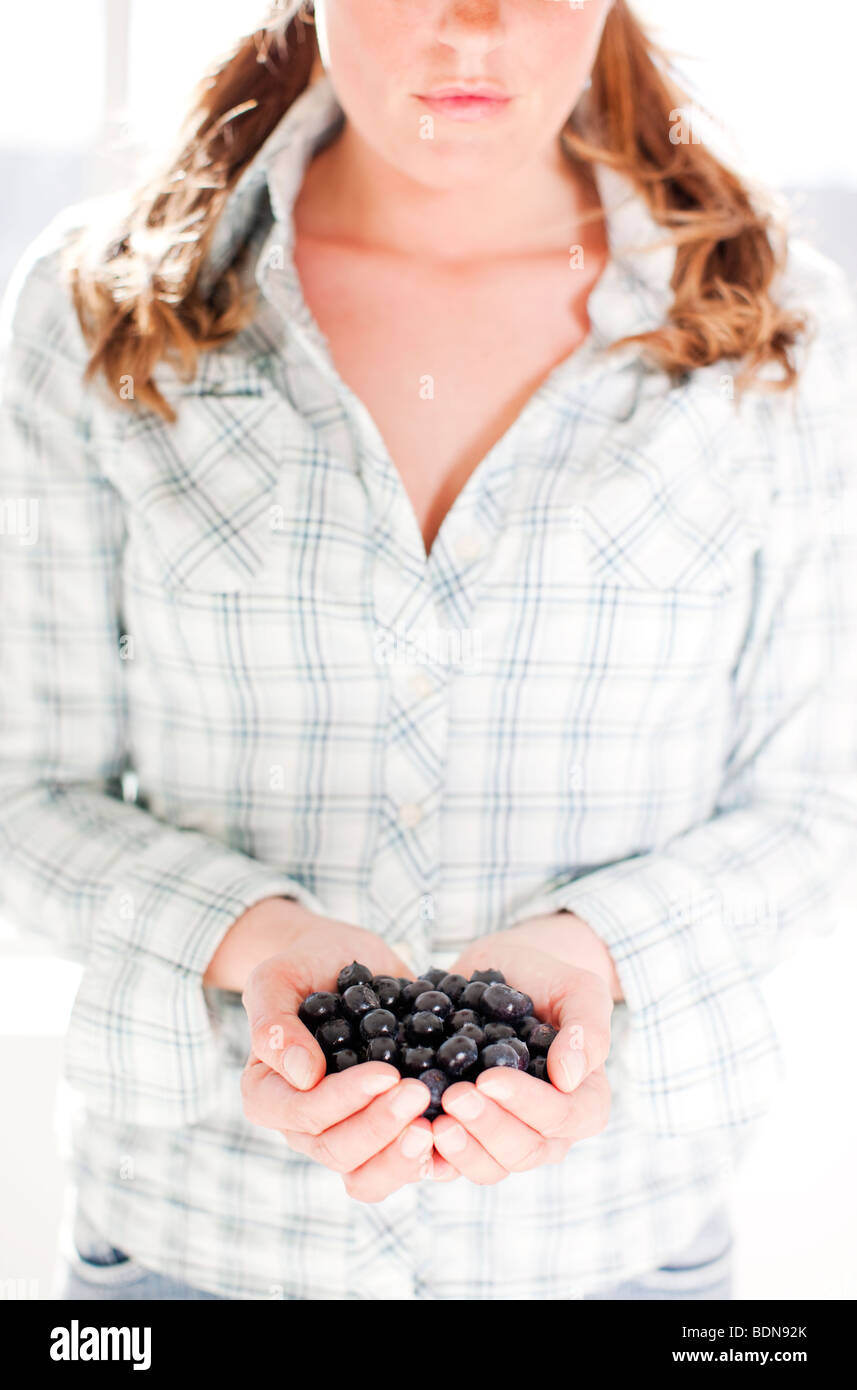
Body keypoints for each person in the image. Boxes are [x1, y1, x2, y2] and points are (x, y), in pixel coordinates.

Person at [1, 0, 855, 1302]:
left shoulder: (773, 326)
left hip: (616, 1248)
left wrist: (594, 949)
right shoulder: (97, 310)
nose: (474, 24)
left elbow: (816, 805)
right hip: (193, 1245)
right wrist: (251, 935)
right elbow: (25, 794)